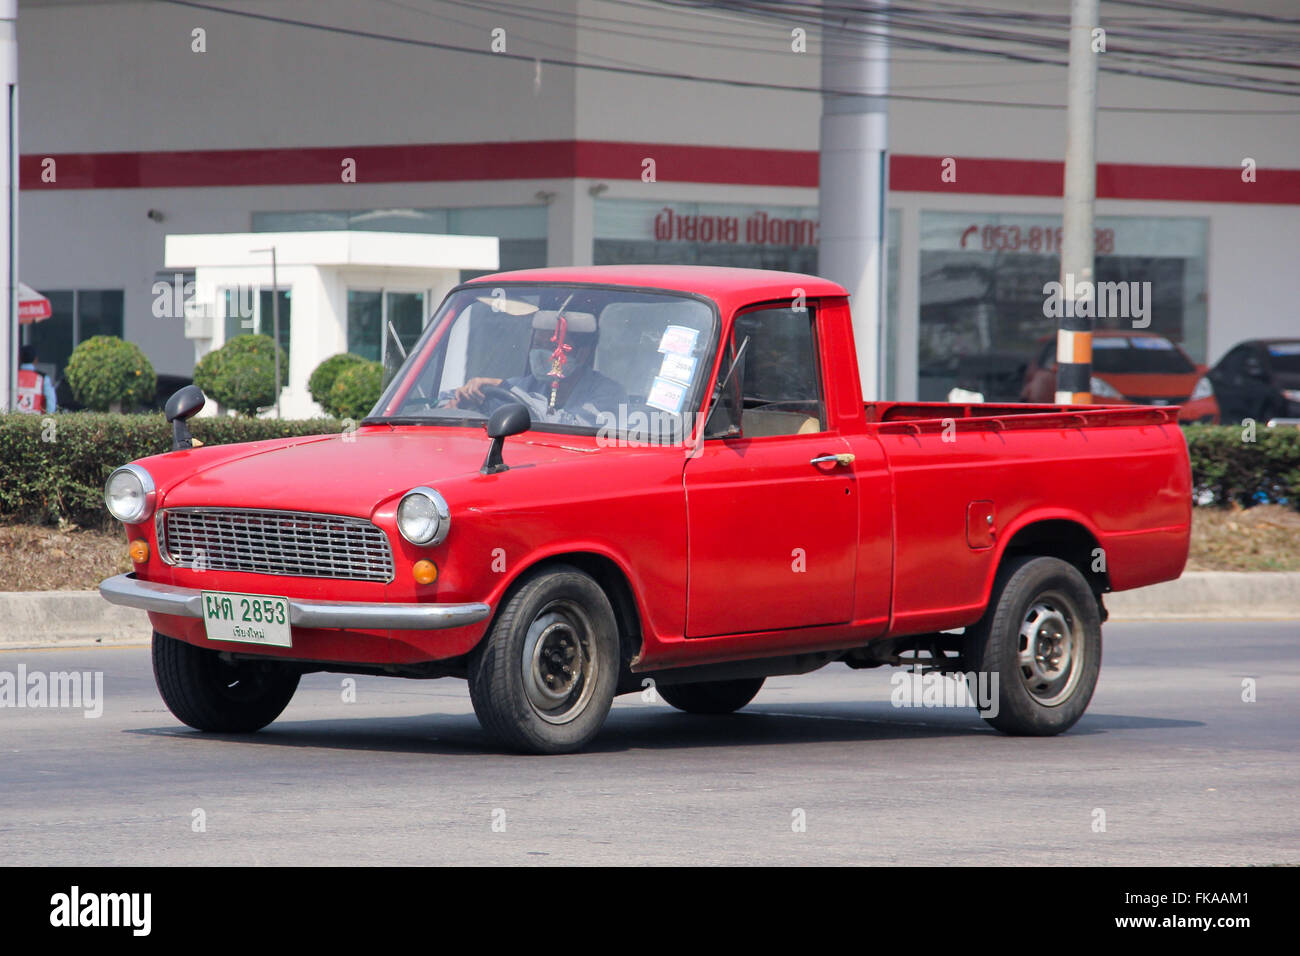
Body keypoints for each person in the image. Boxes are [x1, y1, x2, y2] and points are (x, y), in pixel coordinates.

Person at [446, 310, 625, 426]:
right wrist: (465, 400)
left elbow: (568, 425)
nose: (540, 354)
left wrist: (503, 386)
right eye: (537, 345)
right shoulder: (526, 385)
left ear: (581, 354)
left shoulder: (609, 394)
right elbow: (445, 401)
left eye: (551, 346)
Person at [16, 345, 57, 414]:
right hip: (35, 418)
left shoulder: (13, 377)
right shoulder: (43, 378)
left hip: (13, 418)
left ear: (19, 359)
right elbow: (51, 402)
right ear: (35, 360)